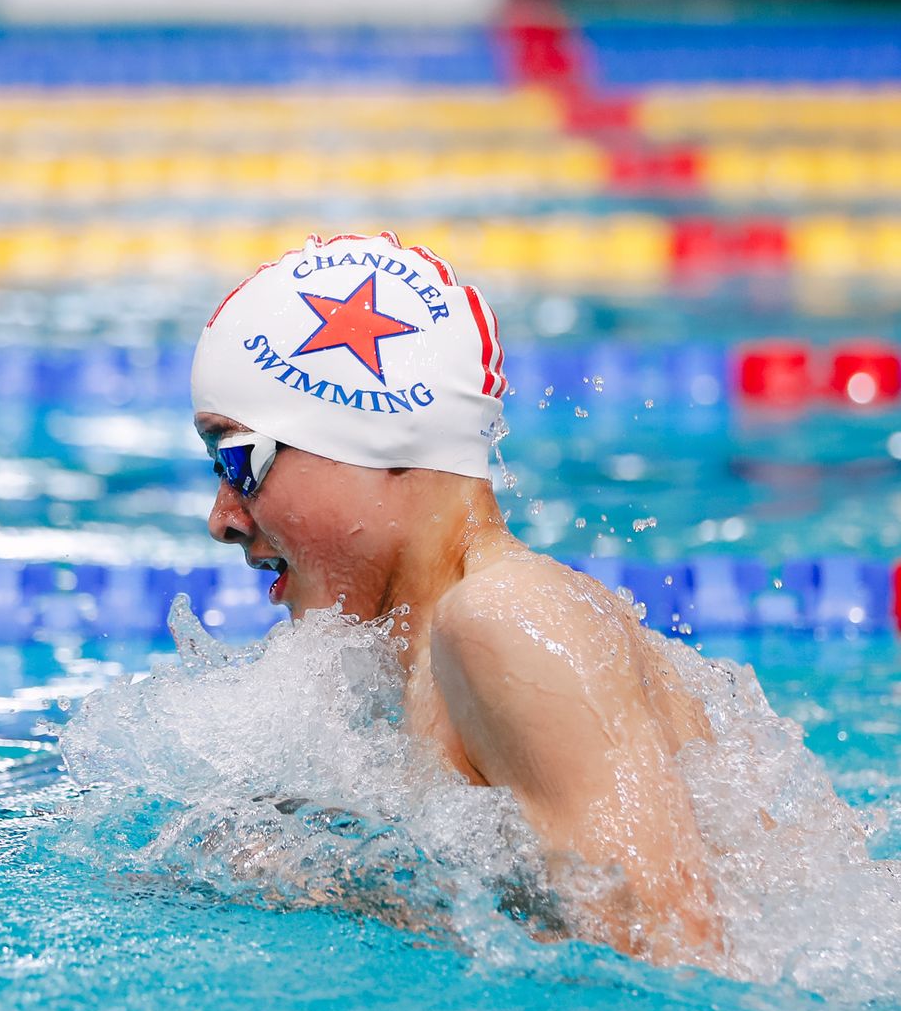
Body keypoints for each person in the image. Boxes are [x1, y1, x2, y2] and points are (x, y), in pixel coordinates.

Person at [192, 231, 721, 967]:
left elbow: (678, 962)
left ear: (376, 434)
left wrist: (350, 893)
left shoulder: (504, 620)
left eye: (236, 459)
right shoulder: (421, 654)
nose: (221, 516)